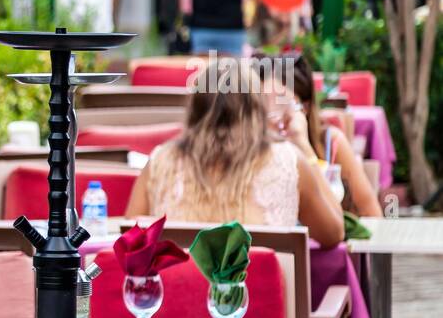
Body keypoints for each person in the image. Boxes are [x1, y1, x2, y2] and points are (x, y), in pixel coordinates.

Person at [126, 56, 345, 248]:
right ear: (256, 109)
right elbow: (334, 233)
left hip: (174, 295)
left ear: (195, 108)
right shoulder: (288, 162)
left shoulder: (160, 163)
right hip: (261, 296)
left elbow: (131, 245)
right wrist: (305, 149)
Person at [282, 55, 382, 217]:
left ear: (305, 107)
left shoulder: (330, 144)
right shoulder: (253, 152)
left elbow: (371, 212)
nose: (276, 117)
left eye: (285, 106)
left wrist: (304, 147)